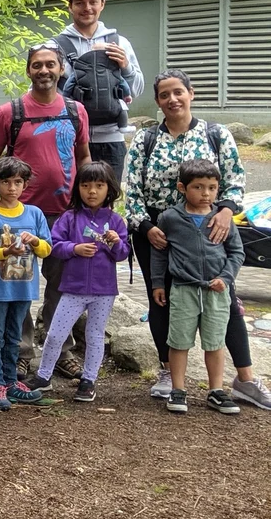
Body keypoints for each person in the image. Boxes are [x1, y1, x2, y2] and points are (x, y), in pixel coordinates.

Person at [123, 69, 266, 407]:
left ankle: (245, 379)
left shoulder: (216, 134)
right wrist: (146, 227)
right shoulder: (146, 139)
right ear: (158, 101)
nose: (172, 99)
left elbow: (234, 180)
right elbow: (132, 189)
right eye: (164, 95)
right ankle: (167, 373)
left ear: (191, 93)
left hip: (210, 228)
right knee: (162, 299)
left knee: (225, 299)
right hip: (157, 233)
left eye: (178, 92)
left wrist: (227, 211)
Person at [0, 41, 91, 375]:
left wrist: (87, 205)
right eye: (37, 65)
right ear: (28, 70)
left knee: (63, 286)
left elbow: (84, 158)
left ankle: (60, 349)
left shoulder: (76, 110)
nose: (44, 70)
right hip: (20, 215)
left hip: (64, 214)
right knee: (17, 286)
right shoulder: (9, 113)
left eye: (50, 64)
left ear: (61, 69)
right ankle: (21, 350)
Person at [28, 163, 129, 403]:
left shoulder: (116, 221)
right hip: (72, 289)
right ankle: (43, 377)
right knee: (55, 334)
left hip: (104, 291)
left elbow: (123, 253)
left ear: (110, 189)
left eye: (99, 186)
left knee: (95, 336)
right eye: (85, 186)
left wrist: (115, 242)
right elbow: (54, 245)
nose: (92, 191)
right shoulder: (69, 217)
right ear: (78, 189)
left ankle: (88, 380)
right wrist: (75, 248)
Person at [152, 159, 245, 416]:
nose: (206, 194)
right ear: (182, 187)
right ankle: (178, 389)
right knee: (179, 341)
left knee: (215, 342)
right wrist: (158, 283)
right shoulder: (170, 217)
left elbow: (237, 253)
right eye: (199, 187)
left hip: (216, 292)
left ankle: (216, 391)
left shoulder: (222, 218)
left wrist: (225, 278)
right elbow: (159, 252)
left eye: (212, 188)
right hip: (183, 290)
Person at [0, 157, 51, 411]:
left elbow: (47, 250)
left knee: (14, 337)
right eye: (6, 182)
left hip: (23, 288)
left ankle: (11, 383)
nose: (12, 188)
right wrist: (3, 252)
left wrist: (35, 242)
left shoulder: (35, 214)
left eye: (17, 182)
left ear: (25, 184)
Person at [53, 0, 145, 182]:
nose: (87, 8)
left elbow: (137, 89)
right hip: (70, 139)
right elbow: (47, 93)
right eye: (79, 3)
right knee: (70, 202)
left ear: (102, 4)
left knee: (106, 202)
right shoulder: (54, 47)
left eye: (93, 1)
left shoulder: (119, 43)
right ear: (70, 7)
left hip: (111, 138)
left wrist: (126, 67)